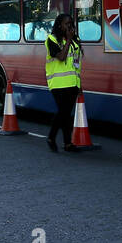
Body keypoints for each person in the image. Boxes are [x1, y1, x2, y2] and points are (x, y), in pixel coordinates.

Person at [44, 13, 82, 152]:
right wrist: (69, 40)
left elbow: (76, 62)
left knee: (66, 114)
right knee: (63, 111)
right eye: (67, 24)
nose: (70, 26)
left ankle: (67, 143)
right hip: (58, 83)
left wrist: (79, 83)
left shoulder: (75, 40)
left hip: (72, 82)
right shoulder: (52, 39)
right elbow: (61, 57)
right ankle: (51, 137)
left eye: (71, 24)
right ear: (59, 25)